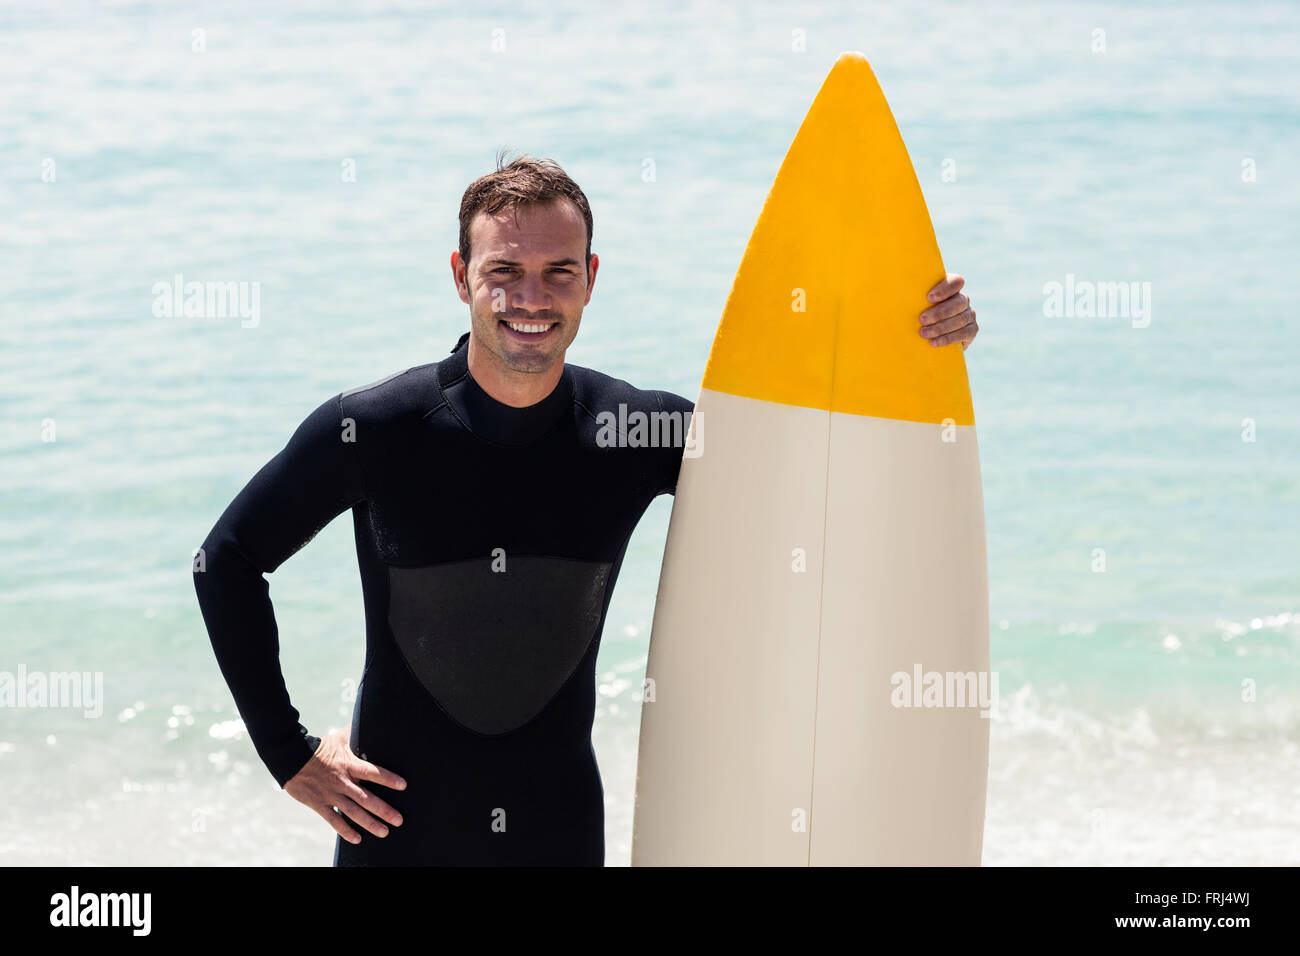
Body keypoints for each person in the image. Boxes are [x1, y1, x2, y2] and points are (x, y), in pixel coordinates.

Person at [191, 150, 980, 866]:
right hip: (396, 836)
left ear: (592, 277)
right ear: (462, 277)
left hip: (556, 830)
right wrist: (288, 753)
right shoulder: (376, 430)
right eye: (505, 270)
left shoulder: (634, 430)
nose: (531, 298)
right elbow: (226, 560)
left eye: (559, 271)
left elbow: (806, 450)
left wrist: (912, 340)